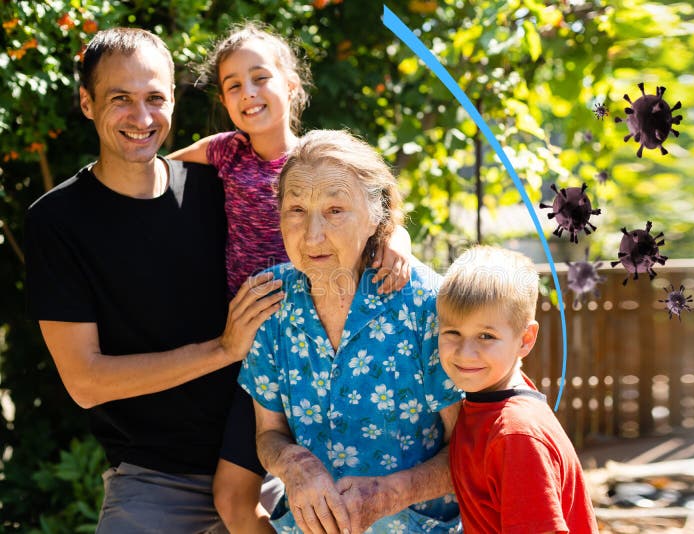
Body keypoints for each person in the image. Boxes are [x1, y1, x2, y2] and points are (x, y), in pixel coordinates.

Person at [23, 28, 286, 532]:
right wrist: (224, 349)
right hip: (152, 483)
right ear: (86, 102)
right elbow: (85, 382)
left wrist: (391, 241)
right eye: (120, 99)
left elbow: (332, 204)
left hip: (262, 464)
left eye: (155, 99)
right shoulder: (57, 221)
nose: (142, 119)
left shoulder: (217, 186)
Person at [168, 22, 413, 532]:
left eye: (260, 78)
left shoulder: (314, 162)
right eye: (233, 84)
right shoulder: (224, 150)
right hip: (257, 345)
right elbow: (149, 169)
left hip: (320, 337)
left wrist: (399, 243)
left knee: (339, 490)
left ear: (292, 86)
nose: (247, 93)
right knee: (234, 500)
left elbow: (382, 212)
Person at [238, 129, 463, 533]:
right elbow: (268, 434)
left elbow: (471, 449)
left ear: (376, 213)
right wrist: (295, 465)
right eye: (296, 210)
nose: (312, 235)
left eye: (335, 210)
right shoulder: (269, 302)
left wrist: (390, 494)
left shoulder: (425, 303)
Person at [437, 246, 599, 534]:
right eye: (453, 332)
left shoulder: (516, 435)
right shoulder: (488, 403)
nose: (465, 352)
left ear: (525, 339)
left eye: (486, 336)